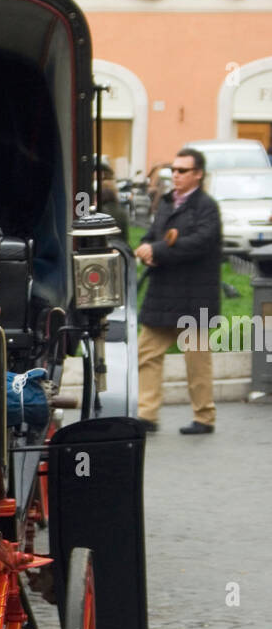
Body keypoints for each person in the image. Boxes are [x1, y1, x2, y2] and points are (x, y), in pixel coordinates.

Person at [135, 147, 221, 435]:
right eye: (173, 169)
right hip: (163, 293)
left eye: (182, 170)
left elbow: (200, 242)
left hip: (194, 297)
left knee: (197, 361)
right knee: (147, 354)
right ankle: (146, 414)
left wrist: (157, 250)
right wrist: (146, 248)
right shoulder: (167, 202)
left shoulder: (206, 206)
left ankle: (204, 417)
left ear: (198, 174)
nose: (175, 175)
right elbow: (153, 234)